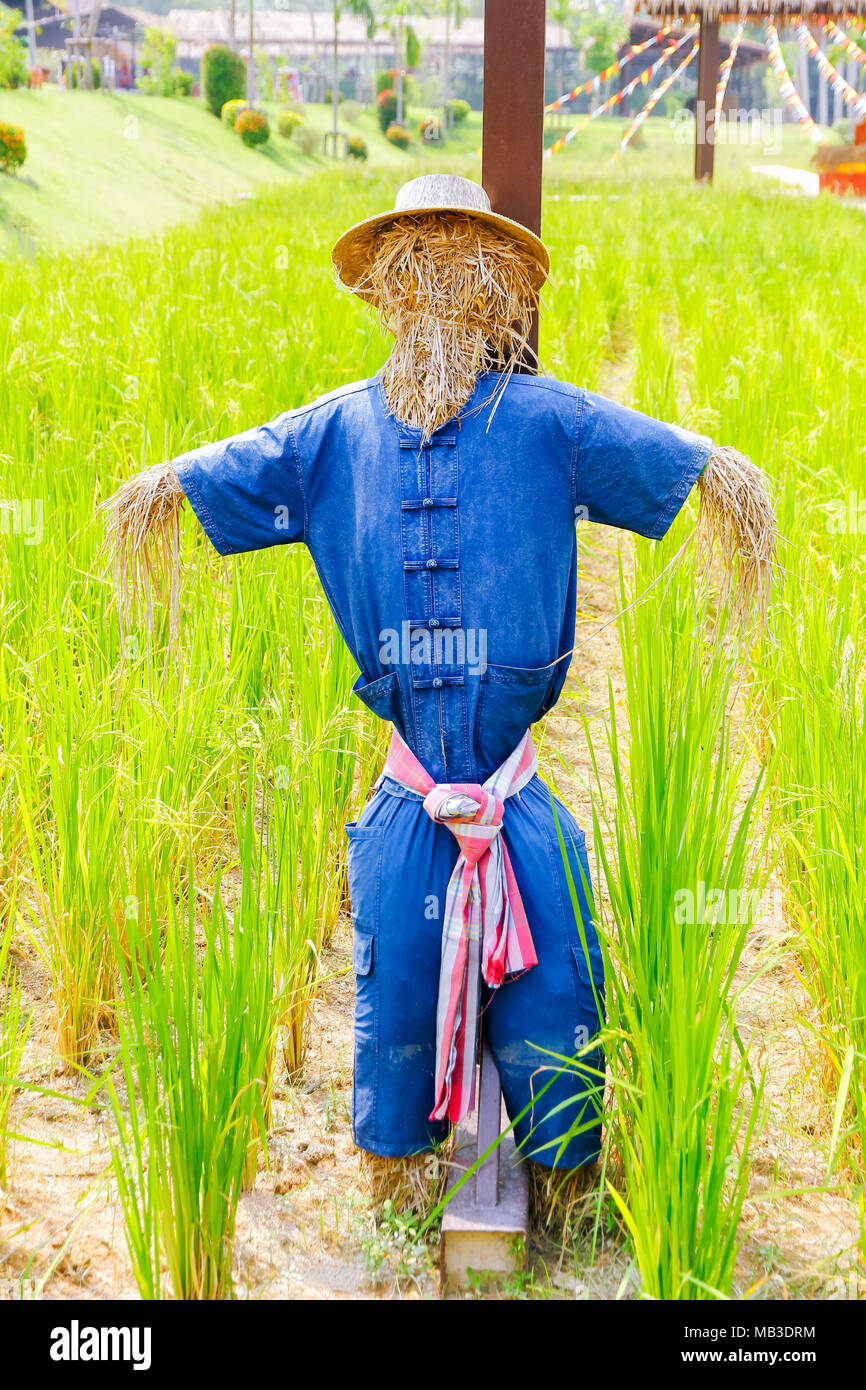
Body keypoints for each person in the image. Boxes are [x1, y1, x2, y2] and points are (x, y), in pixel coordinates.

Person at [104, 174, 775, 1190]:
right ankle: (395, 1182)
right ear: (383, 288)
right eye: (414, 270)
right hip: (406, 790)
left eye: (462, 271)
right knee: (396, 1001)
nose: (436, 292)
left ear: (496, 290)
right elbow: (188, 482)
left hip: (516, 790)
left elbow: (702, 469)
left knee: (559, 997)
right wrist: (141, 510)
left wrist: (736, 499)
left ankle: (564, 1183)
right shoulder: (328, 434)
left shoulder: (552, 424)